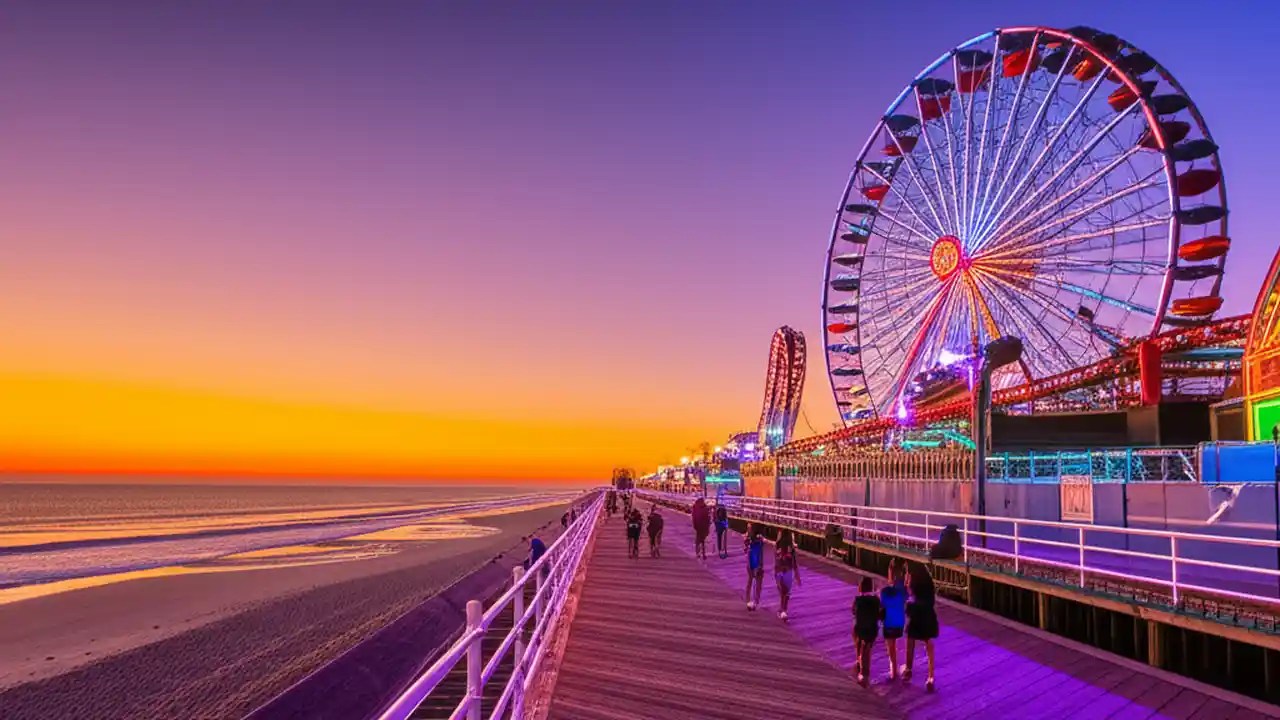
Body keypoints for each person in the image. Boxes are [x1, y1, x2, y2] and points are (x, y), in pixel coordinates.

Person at [903, 562, 940, 692]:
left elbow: (910, 596)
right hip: (928, 613)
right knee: (928, 643)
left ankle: (908, 669)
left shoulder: (914, 580)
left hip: (917, 612)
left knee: (910, 639)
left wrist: (907, 582)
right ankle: (930, 676)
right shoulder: (928, 581)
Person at [879, 559, 907, 680]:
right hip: (900, 622)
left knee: (890, 646)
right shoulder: (904, 592)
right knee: (899, 643)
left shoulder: (885, 592)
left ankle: (893, 670)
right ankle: (901, 667)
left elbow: (881, 605)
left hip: (888, 623)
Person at [852, 576, 881, 687]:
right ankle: (865, 672)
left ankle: (861, 669)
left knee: (857, 638)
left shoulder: (858, 600)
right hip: (872, 629)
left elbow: (853, 611)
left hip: (860, 629)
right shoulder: (876, 600)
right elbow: (880, 614)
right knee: (867, 648)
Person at [774, 530, 801, 620]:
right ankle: (783, 609)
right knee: (784, 591)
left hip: (786, 569)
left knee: (785, 592)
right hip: (782, 569)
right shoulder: (780, 545)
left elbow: (794, 561)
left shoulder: (789, 547)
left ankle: (783, 610)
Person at [743, 524, 765, 610]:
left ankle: (749, 601)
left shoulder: (749, 538)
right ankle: (755, 601)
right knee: (757, 582)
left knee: (751, 580)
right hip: (757, 560)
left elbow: (745, 549)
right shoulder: (759, 538)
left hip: (752, 560)